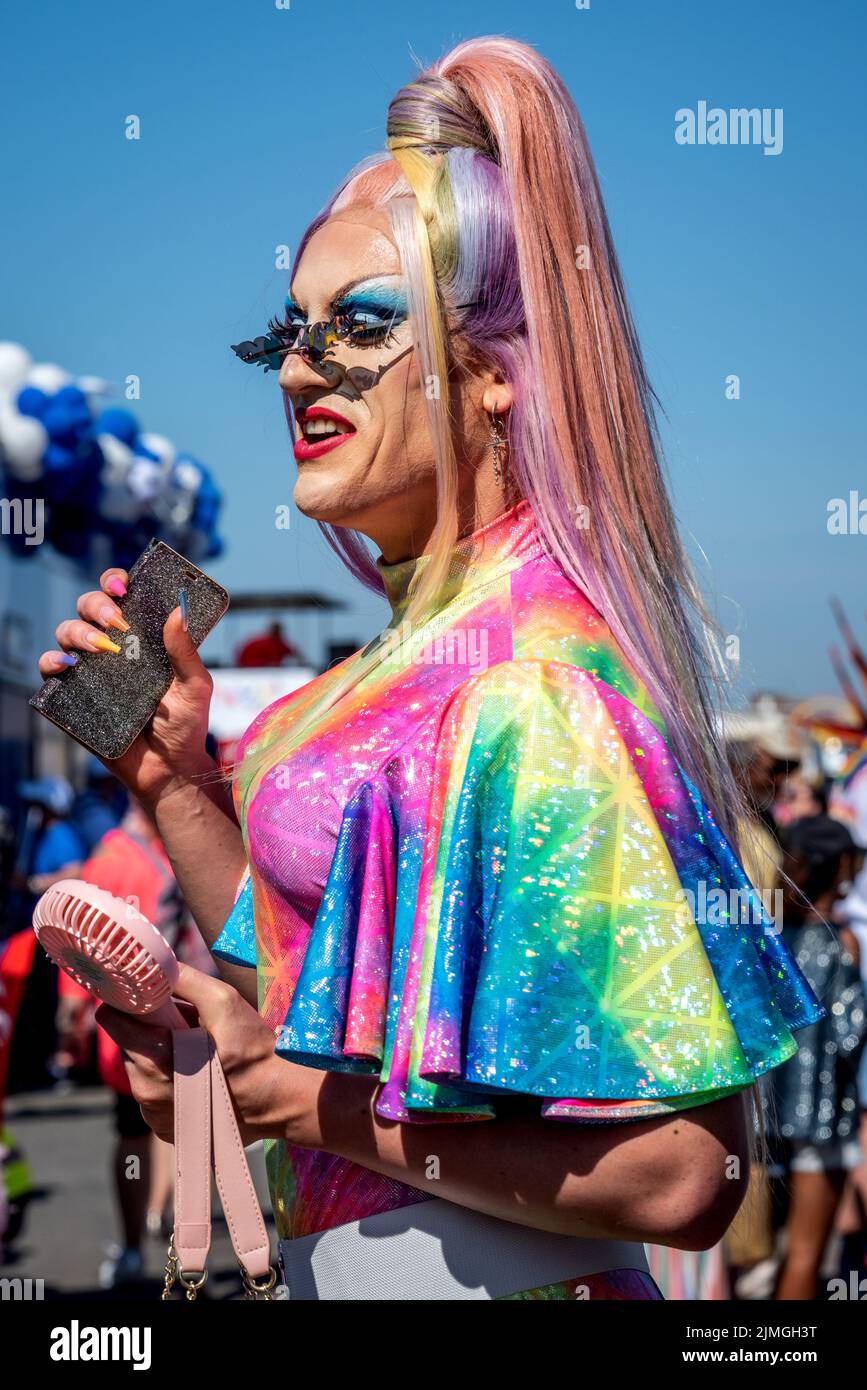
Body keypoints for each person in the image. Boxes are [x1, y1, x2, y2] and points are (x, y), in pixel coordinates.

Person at [37, 37, 824, 1301]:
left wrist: (298, 1100)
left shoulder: (539, 685)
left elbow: (689, 1175)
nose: (299, 367)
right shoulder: (374, 679)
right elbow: (306, 994)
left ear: (498, 374)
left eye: (357, 325)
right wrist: (175, 783)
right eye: (290, 332)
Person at [767, 814, 867, 1300]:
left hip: (770, 1117)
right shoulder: (839, 941)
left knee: (782, 1252)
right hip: (821, 1121)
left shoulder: (773, 939)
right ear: (842, 866)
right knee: (807, 1254)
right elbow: (851, 1035)